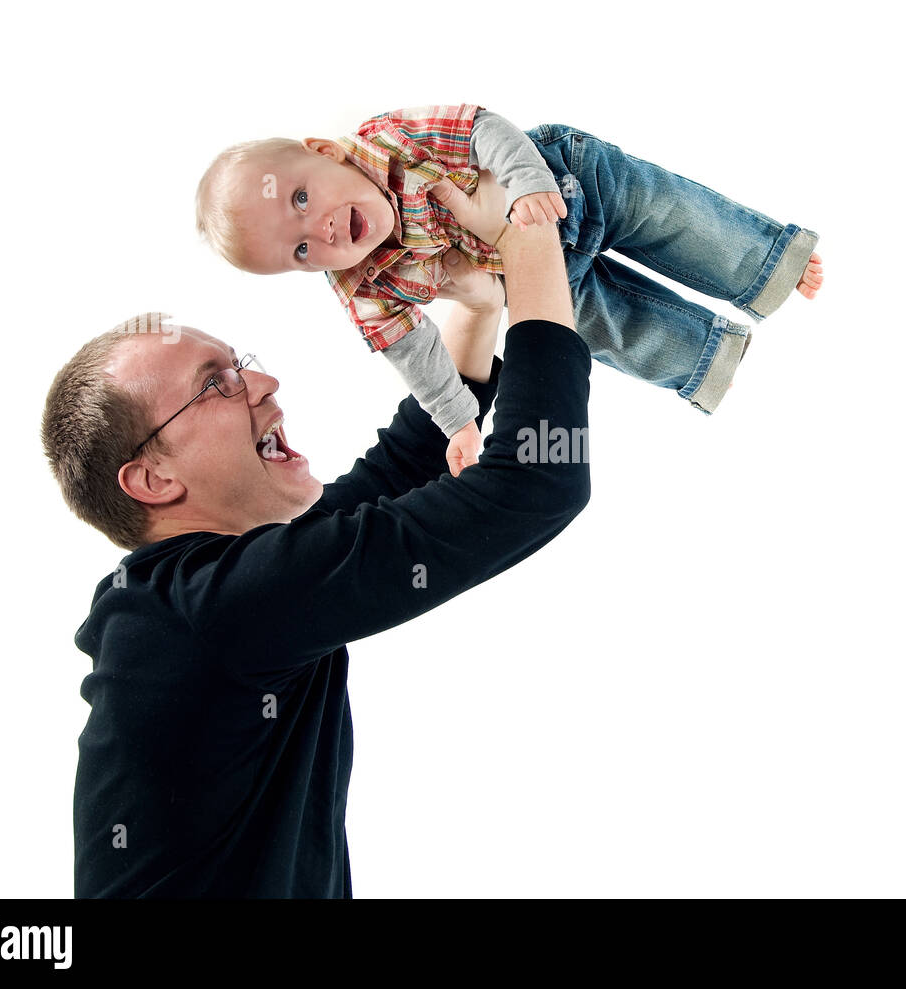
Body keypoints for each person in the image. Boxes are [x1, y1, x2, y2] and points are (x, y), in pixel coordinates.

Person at [41, 175, 589, 897]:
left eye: (239, 363)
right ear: (151, 480)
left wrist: (480, 308)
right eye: (216, 385)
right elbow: (534, 481)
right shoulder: (208, 610)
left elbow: (406, 467)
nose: (262, 381)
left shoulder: (203, 599)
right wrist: (530, 238)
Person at [194, 104, 824, 473]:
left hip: (567, 182)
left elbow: (483, 127)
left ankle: (767, 262)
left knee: (669, 217)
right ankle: (705, 360)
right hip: (526, 275)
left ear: (324, 151)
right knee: (605, 328)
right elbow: (415, 356)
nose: (323, 231)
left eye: (302, 198)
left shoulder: (390, 139)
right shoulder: (363, 284)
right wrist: (461, 424)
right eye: (301, 250)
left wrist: (525, 184)